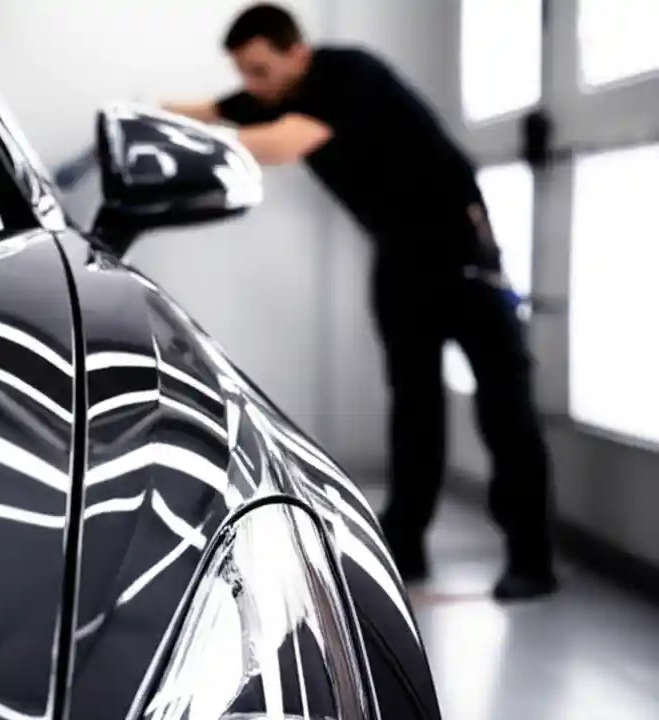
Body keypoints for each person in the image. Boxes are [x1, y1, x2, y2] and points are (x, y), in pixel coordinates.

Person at [163, 3, 557, 600]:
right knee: (413, 409)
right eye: (244, 72)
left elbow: (280, 144)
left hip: (463, 254)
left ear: (296, 52)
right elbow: (214, 109)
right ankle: (406, 549)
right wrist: (150, 119)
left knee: (505, 409)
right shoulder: (274, 92)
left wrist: (191, 144)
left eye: (260, 69)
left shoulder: (348, 75)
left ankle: (533, 559)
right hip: (400, 261)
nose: (251, 85)